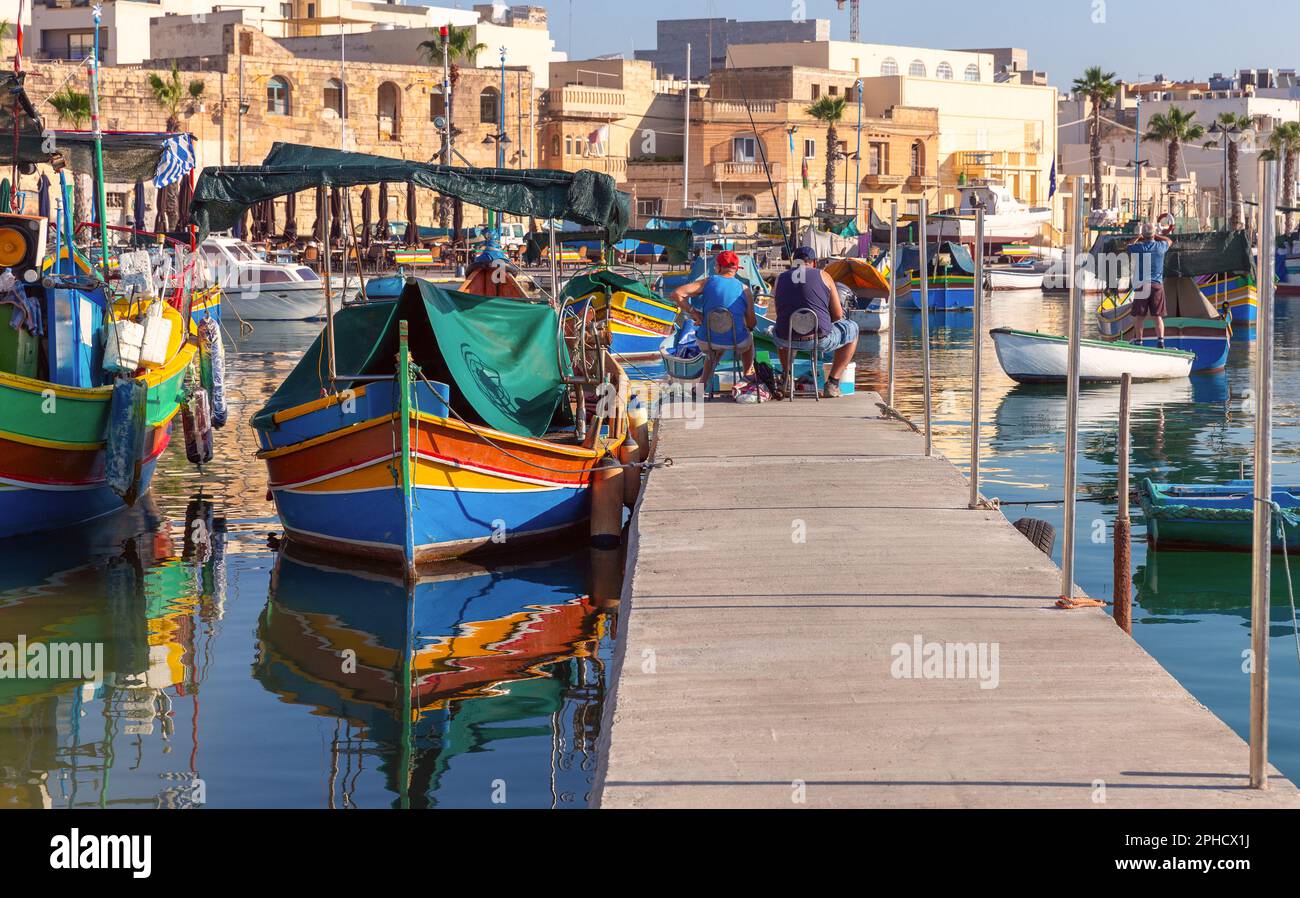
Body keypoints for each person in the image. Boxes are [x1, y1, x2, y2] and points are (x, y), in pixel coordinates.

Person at [771, 246, 860, 398]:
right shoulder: (824, 276)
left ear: (794, 262)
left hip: (786, 340)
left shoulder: (780, 278)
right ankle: (833, 383)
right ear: (814, 262)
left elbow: (781, 313)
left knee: (782, 329)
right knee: (854, 328)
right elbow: (838, 315)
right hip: (818, 340)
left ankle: (787, 379)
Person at [670, 249, 756, 390]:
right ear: (736, 269)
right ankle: (746, 375)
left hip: (706, 341)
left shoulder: (708, 282)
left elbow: (676, 293)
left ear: (718, 267)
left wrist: (694, 312)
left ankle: (702, 385)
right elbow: (752, 323)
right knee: (749, 337)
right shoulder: (745, 289)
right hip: (737, 342)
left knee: (713, 348)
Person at [1127, 222, 1173, 348]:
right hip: (1157, 286)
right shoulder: (1160, 246)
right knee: (1157, 316)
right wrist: (1156, 235)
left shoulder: (1138, 248)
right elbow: (1169, 240)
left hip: (1142, 286)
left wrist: (1138, 236)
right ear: (1153, 234)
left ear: (1143, 234)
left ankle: (1139, 342)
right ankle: (1160, 341)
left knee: (1139, 317)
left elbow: (1129, 245)